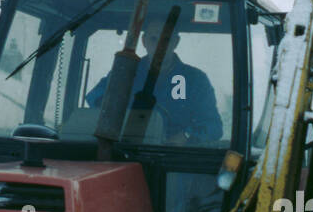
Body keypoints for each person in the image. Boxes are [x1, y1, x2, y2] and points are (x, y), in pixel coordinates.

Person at [85, 17, 224, 144]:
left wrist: (187, 135)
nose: (160, 46)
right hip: (126, 149)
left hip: (175, 159)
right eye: (153, 39)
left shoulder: (196, 80)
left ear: (176, 42)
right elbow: (96, 98)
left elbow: (213, 126)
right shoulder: (125, 72)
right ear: (144, 41)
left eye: (166, 39)